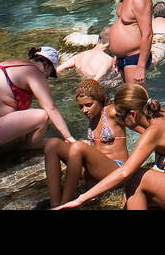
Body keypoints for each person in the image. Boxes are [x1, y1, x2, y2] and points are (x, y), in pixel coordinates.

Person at [55, 84, 165, 210]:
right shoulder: (164, 114)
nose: (120, 121)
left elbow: (124, 172)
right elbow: (142, 129)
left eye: (120, 116)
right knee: (131, 196)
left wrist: (80, 199)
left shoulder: (154, 131)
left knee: (136, 176)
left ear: (133, 114)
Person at [0, 46, 76, 159]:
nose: (47, 78)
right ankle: (32, 146)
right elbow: (50, 108)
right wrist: (69, 138)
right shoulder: (35, 73)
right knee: (42, 116)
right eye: (50, 75)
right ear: (46, 66)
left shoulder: (12, 64)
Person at [44, 77, 131, 207]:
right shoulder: (92, 117)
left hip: (116, 169)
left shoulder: (112, 112)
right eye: (81, 106)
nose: (84, 110)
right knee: (52, 144)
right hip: (94, 171)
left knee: (78, 147)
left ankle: (65, 205)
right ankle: (55, 204)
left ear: (100, 100)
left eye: (88, 105)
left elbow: (142, 125)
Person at [109, 0, 153, 83]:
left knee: (134, 100)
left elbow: (148, 34)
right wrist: (116, 54)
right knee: (129, 98)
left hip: (135, 57)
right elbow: (124, 24)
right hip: (123, 57)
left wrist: (140, 67)